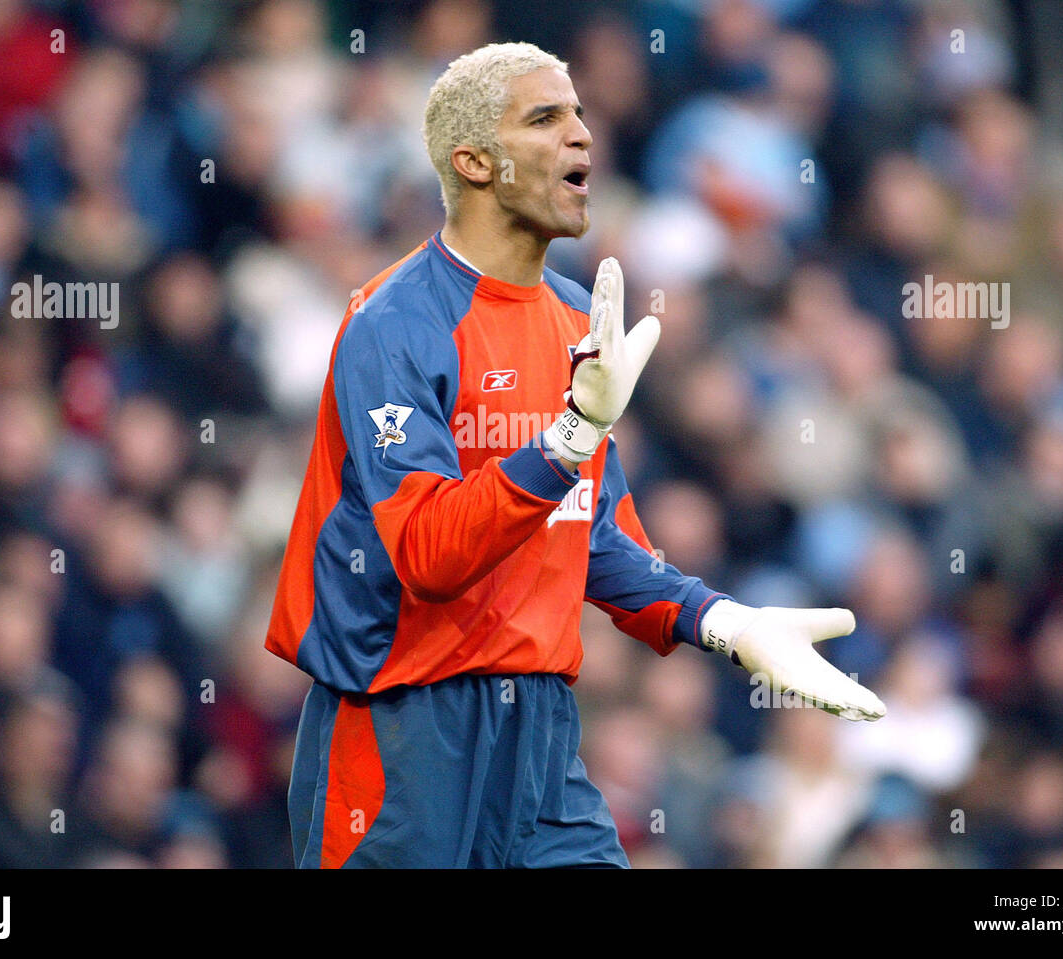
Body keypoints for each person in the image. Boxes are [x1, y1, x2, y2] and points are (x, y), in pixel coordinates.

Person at [265, 41, 886, 869]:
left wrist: (726, 622)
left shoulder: (574, 321)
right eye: (546, 117)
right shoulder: (394, 324)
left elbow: (594, 539)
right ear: (474, 161)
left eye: (582, 115)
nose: (582, 137)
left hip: (542, 744)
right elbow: (427, 554)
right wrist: (562, 443)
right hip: (400, 737)